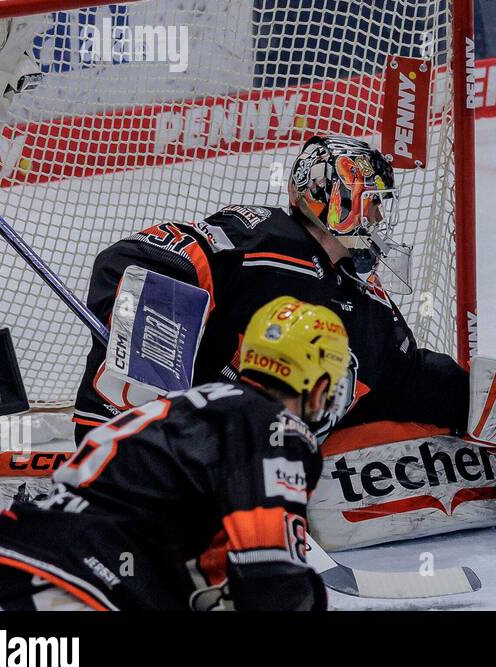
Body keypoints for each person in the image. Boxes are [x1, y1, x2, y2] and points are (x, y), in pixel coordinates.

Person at [72, 134, 468, 443]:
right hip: (173, 447)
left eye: (381, 204)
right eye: (371, 202)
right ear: (331, 199)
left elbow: (408, 374)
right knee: (153, 311)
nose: (379, 217)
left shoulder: (368, 299)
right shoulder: (266, 239)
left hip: (260, 458)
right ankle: (132, 460)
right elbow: (143, 258)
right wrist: (150, 375)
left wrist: (478, 395)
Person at [0, 297, 350, 610]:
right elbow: (271, 579)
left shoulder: (190, 402)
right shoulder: (278, 426)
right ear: (317, 386)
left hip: (0, 555)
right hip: (76, 584)